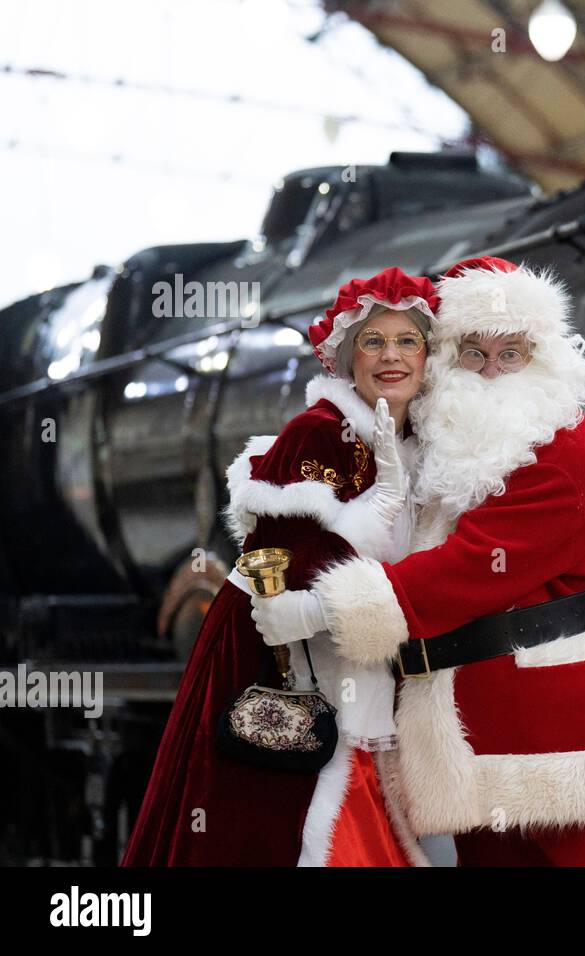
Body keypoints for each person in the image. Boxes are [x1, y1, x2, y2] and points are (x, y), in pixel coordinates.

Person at [251, 256, 585, 866]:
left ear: (543, 356)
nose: (489, 371)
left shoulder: (565, 448)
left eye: (511, 354)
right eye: (472, 353)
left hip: (563, 720)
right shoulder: (447, 447)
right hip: (475, 721)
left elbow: (472, 566)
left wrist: (322, 607)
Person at [122, 267, 436, 866]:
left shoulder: (413, 441)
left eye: (407, 341)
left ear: (427, 356)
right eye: (373, 341)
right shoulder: (317, 434)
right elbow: (291, 575)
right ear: (347, 356)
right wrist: (377, 510)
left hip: (355, 672)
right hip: (277, 663)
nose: (391, 356)